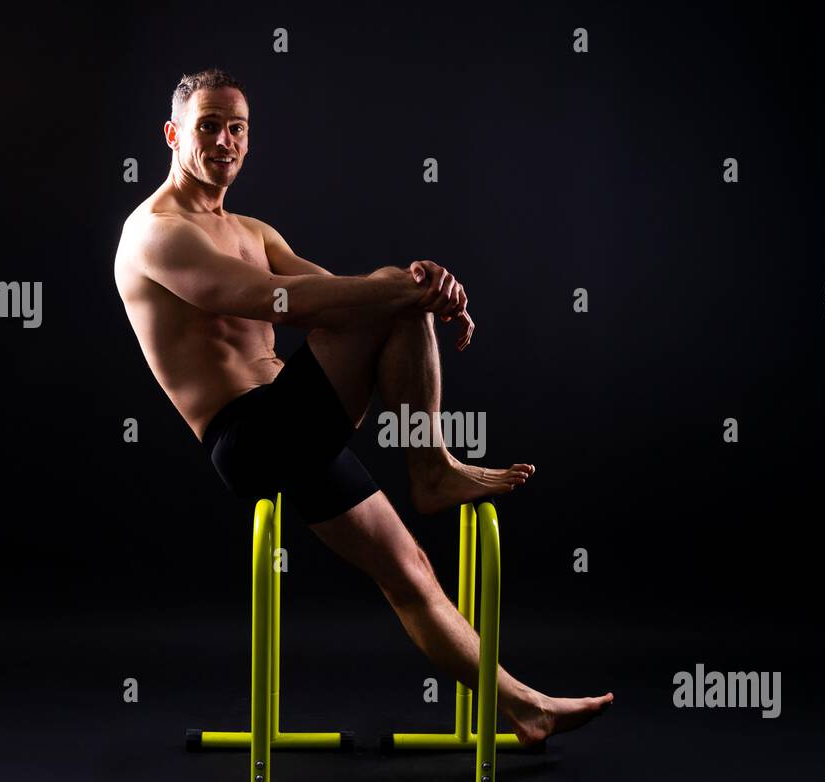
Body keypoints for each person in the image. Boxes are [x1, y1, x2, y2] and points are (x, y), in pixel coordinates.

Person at [114, 68, 612, 744]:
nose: (226, 140)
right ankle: (431, 470)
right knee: (389, 299)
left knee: (409, 570)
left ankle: (526, 707)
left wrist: (421, 294)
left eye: (238, 128)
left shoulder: (254, 230)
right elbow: (274, 302)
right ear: (173, 134)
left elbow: (337, 291)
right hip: (248, 437)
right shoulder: (155, 234)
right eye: (209, 125)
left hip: (293, 421)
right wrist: (405, 290)